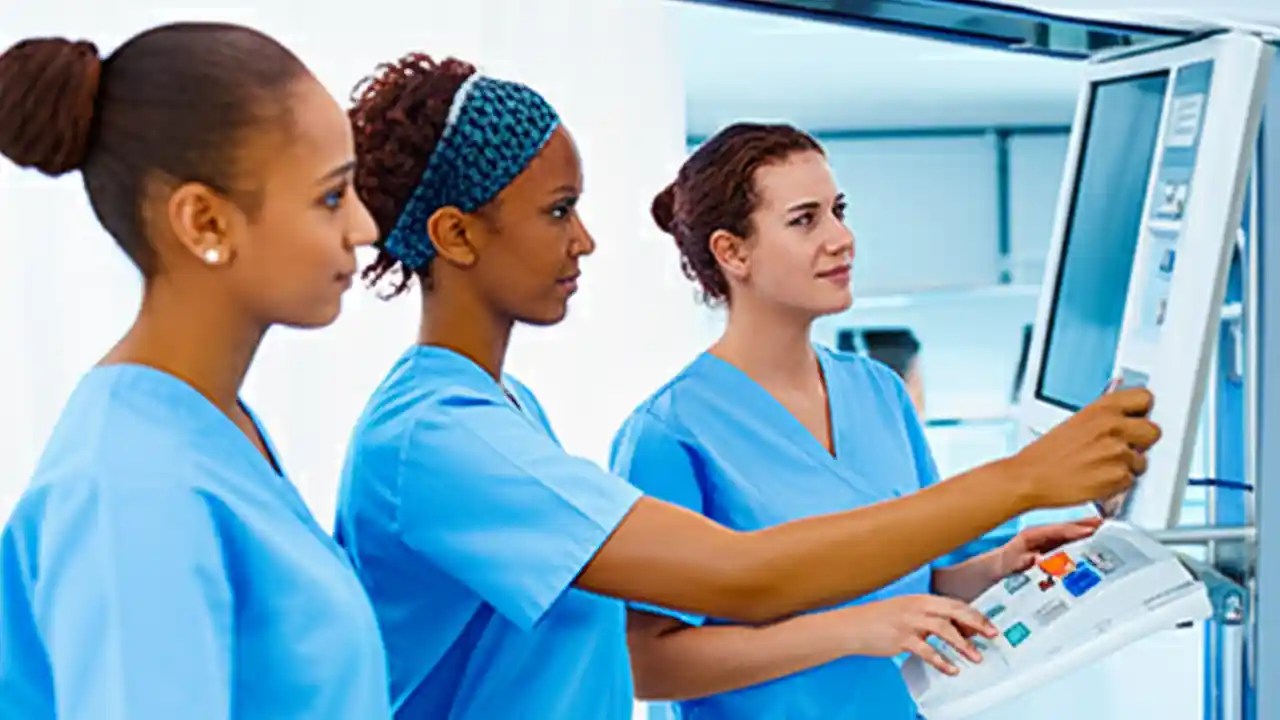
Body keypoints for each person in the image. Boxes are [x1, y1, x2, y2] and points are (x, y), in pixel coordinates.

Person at [335, 53, 1159, 720]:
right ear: (456, 233)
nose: (585, 241)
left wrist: (998, 557)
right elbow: (735, 580)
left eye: (838, 209)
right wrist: (1020, 479)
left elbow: (901, 569)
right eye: (558, 211)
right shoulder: (443, 438)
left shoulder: (506, 413)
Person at [609, 122, 1102, 719]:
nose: (842, 238)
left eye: (839, 211)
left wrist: (1000, 565)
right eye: (805, 220)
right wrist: (849, 631)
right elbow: (650, 664)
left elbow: (920, 582)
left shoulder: (878, 392)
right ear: (732, 252)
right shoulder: (670, 434)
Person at [0, 24, 388, 719]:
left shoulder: (210, 428)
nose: (364, 229)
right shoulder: (130, 487)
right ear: (205, 222)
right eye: (331, 197)